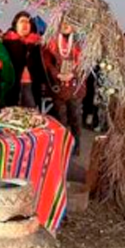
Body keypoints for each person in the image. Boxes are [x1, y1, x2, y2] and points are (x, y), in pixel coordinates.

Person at [43, 21, 85, 154]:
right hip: (58, 86)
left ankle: (76, 144)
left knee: (75, 116)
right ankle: (63, 145)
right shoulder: (51, 42)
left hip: (75, 87)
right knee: (61, 118)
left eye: (69, 22)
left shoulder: (80, 43)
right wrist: (57, 74)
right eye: (62, 22)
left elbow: (85, 62)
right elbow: (47, 62)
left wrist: (73, 74)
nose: (65, 25)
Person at [2, 11, 44, 109]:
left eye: (28, 22)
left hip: (31, 85)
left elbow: (41, 66)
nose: (25, 25)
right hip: (12, 85)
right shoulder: (7, 43)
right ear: (15, 25)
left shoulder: (36, 45)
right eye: (22, 22)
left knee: (31, 112)